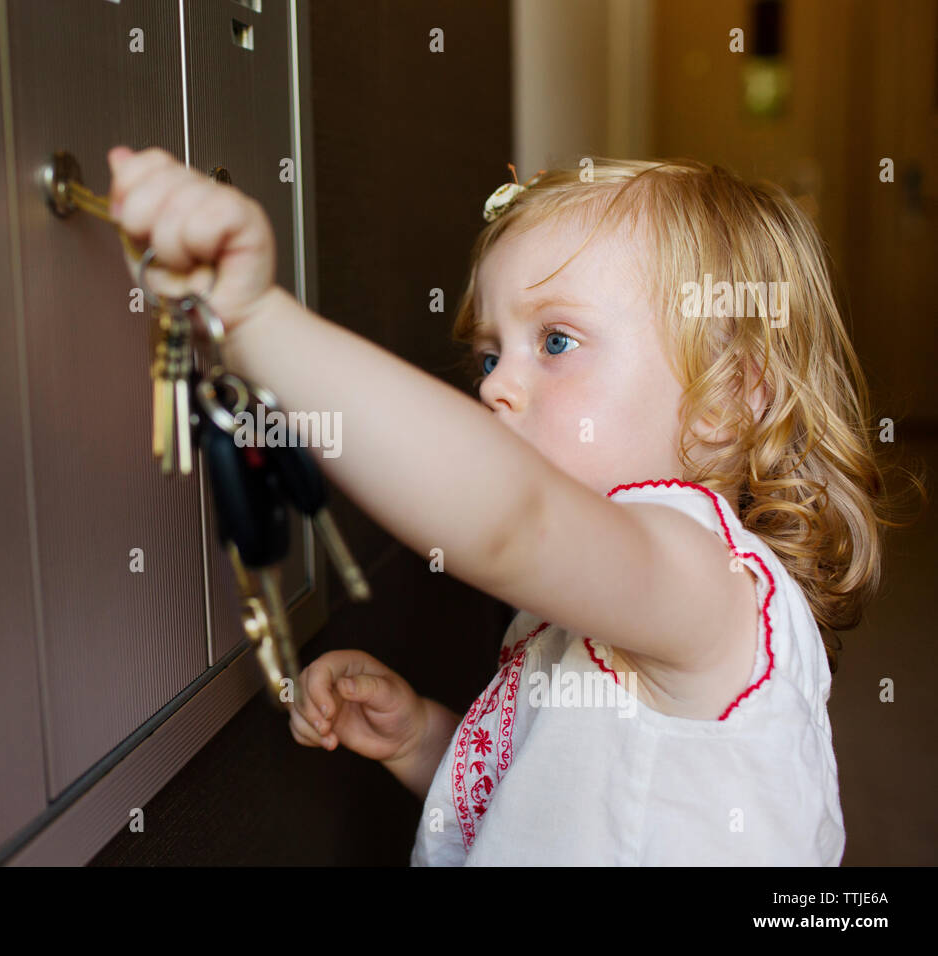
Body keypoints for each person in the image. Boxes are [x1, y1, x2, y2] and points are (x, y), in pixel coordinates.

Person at [106, 147, 922, 865]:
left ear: (727, 400)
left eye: (556, 342)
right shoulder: (586, 606)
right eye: (490, 352)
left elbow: (509, 517)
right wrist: (425, 738)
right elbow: (549, 800)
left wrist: (255, 321)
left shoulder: (703, 580)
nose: (495, 382)